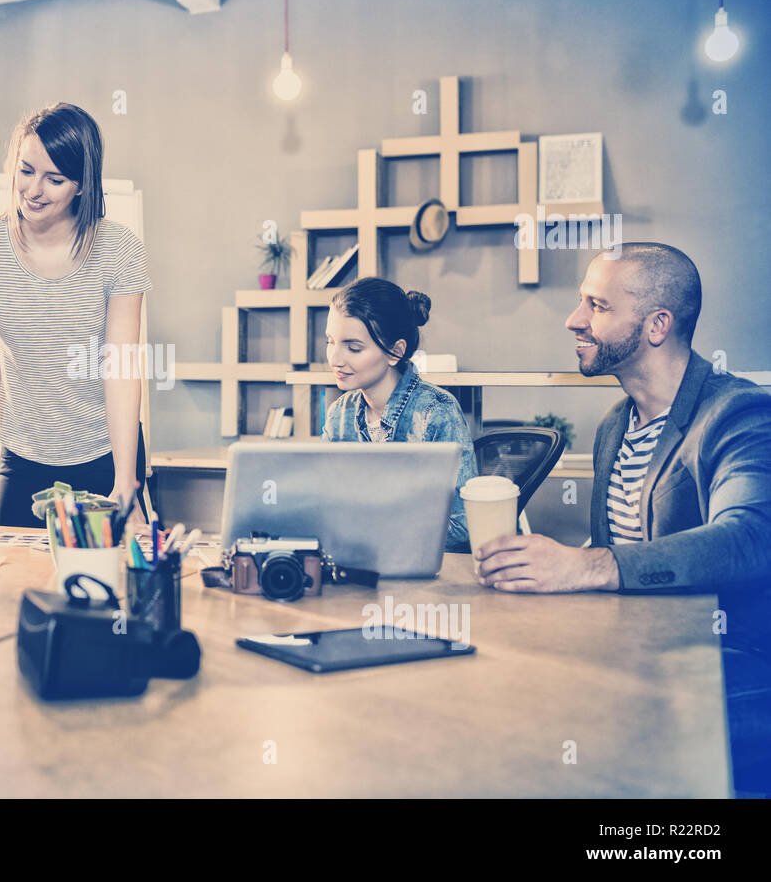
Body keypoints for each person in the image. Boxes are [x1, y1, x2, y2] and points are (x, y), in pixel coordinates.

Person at [474, 243, 771, 791]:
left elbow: (749, 540)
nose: (574, 320)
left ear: (657, 325)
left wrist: (586, 567)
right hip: (641, 653)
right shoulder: (616, 425)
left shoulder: (738, 413)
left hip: (727, 661)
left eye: (597, 306)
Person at [0, 102, 150, 529]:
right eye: (26, 170)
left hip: (105, 454)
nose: (34, 190)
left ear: (81, 185)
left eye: (54, 179)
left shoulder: (119, 249)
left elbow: (122, 369)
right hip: (25, 457)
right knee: (10, 586)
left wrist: (126, 480)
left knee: (109, 585)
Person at [322, 277, 476, 549]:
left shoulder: (437, 412)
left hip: (421, 576)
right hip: (355, 563)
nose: (334, 359)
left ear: (395, 352)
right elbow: (324, 503)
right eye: (331, 341)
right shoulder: (339, 414)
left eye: (353, 348)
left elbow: (462, 527)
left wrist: (370, 526)